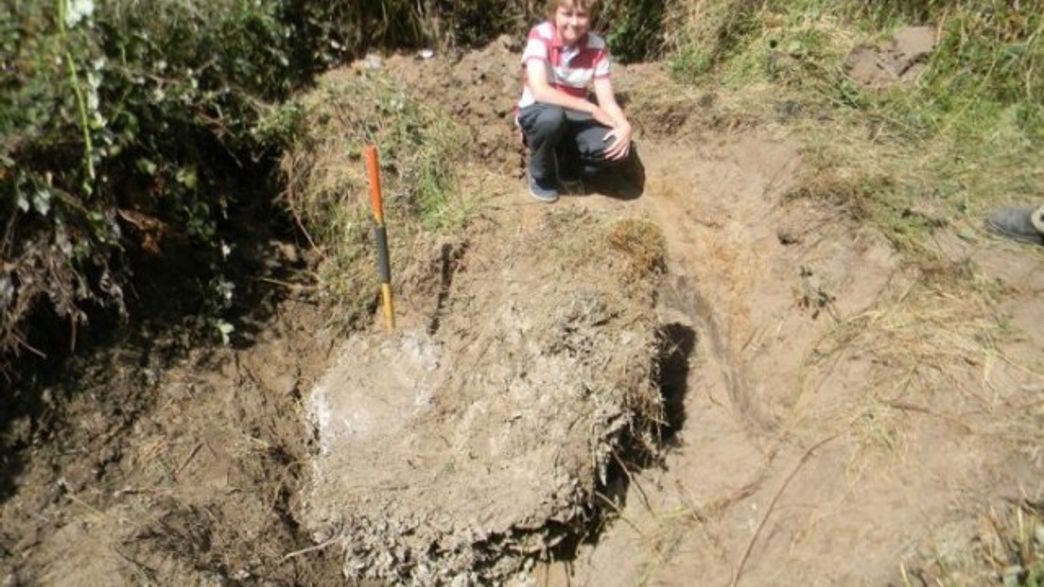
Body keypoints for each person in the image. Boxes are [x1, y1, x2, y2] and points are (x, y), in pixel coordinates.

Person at [516, 0, 636, 202]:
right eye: (567, 14)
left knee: (617, 148)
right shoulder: (540, 35)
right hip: (540, 111)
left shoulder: (597, 47)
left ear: (590, 18)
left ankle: (567, 165)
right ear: (555, 13)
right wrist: (590, 107)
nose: (574, 22)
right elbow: (540, 91)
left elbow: (607, 102)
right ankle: (540, 174)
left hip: (573, 116)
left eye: (581, 15)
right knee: (551, 119)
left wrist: (624, 126)